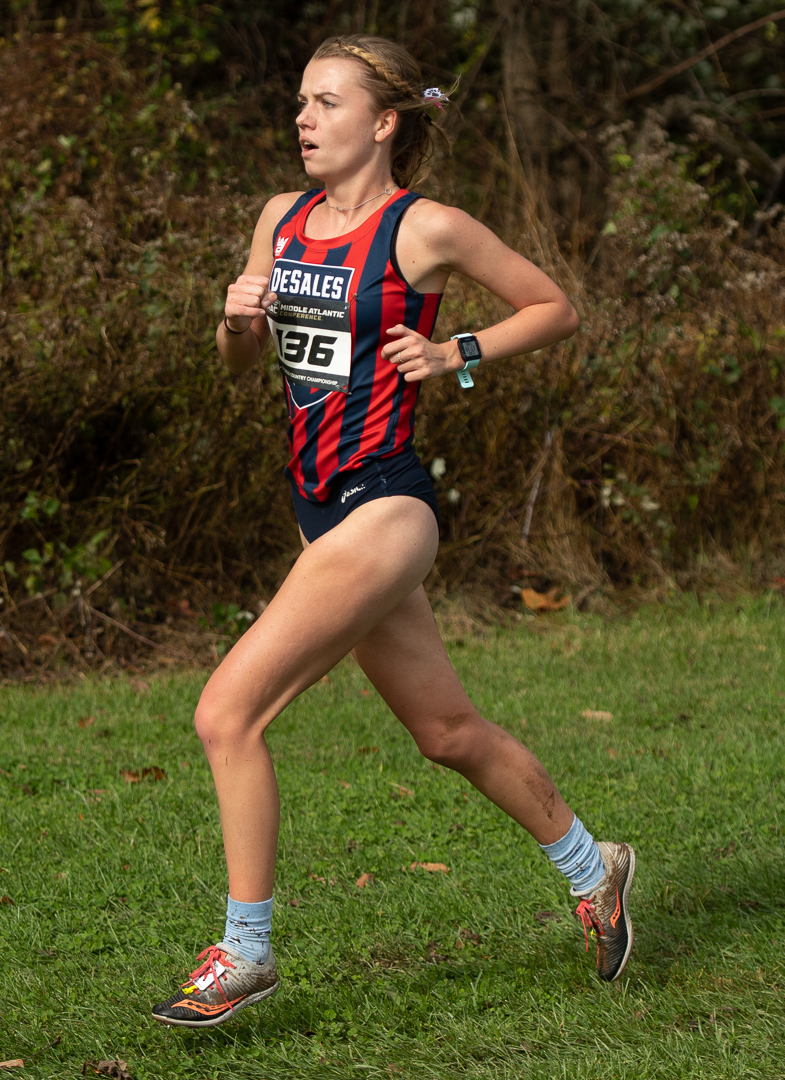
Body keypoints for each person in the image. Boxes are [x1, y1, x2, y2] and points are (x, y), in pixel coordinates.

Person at [150, 35, 636, 1029]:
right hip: (317, 511)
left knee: (226, 715)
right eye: (299, 102)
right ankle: (597, 867)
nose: (302, 119)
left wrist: (460, 348)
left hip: (387, 507)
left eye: (325, 103)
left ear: (382, 123)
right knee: (447, 731)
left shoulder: (428, 229)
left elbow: (555, 307)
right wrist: (238, 319)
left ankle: (244, 954)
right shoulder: (278, 220)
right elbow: (244, 360)